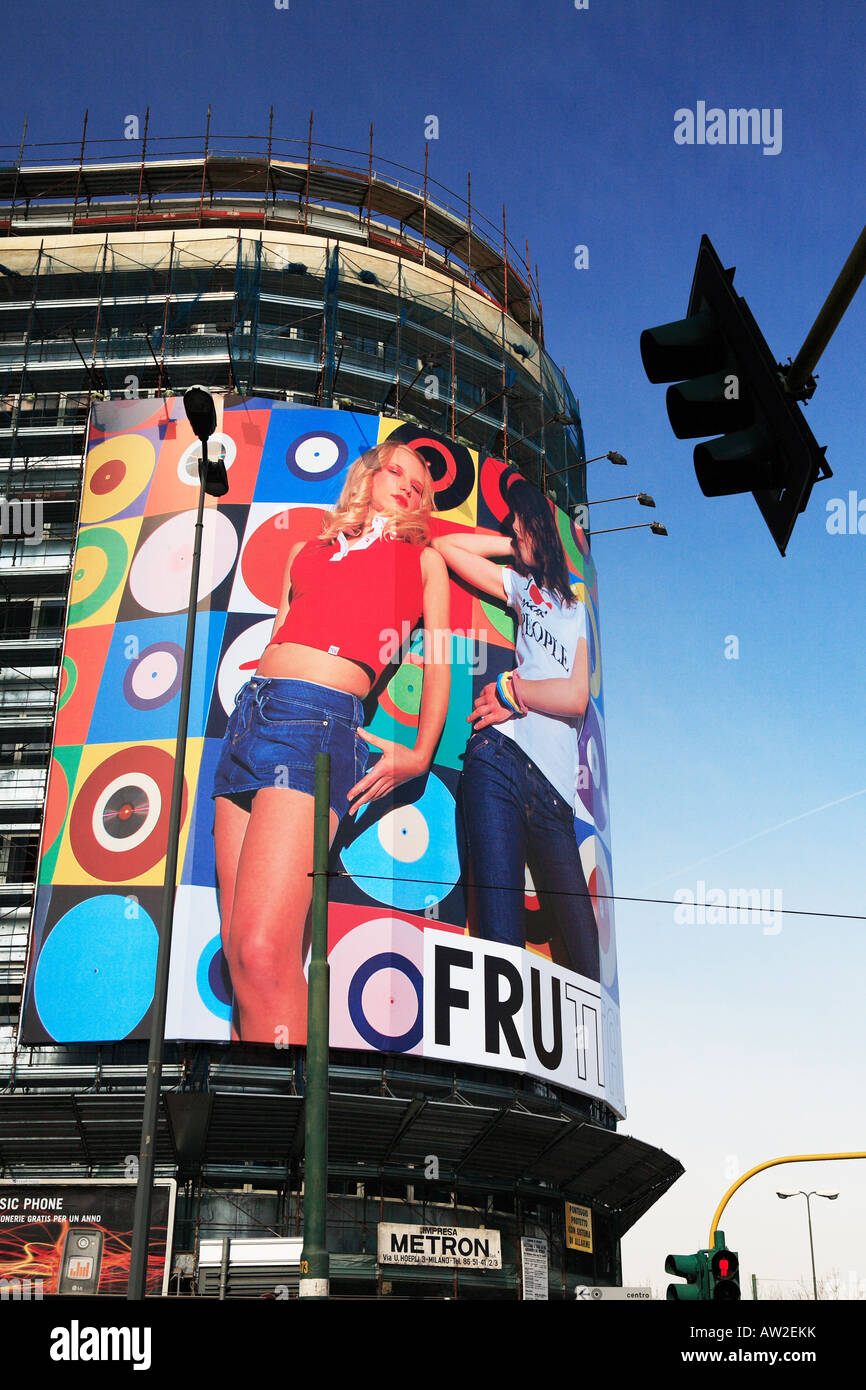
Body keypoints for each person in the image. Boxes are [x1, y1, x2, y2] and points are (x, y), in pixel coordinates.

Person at [212, 440, 450, 1042]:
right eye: (397, 471)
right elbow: (282, 632)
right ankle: (254, 1126)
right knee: (242, 960)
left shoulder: (424, 561)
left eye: (420, 487)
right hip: (249, 719)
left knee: (265, 953)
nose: (407, 487)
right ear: (368, 475)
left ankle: (293, 1134)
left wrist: (419, 754)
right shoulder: (305, 550)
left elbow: (444, 663)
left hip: (318, 725)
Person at [432, 480, 599, 981]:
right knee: (498, 944)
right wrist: (512, 545)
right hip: (498, 762)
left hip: (553, 798)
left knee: (585, 957)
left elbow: (575, 698)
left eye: (518, 524)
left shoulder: (575, 609)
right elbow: (444, 546)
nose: (513, 532)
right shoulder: (519, 587)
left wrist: (514, 692)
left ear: (539, 527)